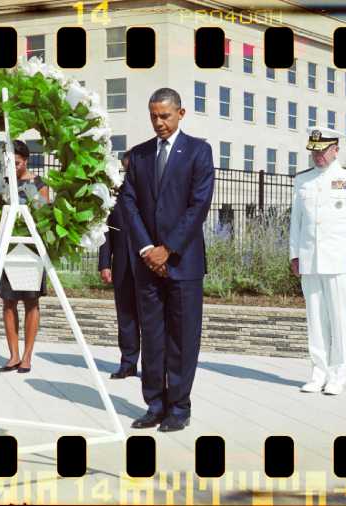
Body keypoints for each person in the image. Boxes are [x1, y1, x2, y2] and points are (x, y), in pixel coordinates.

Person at [119, 88, 215, 433]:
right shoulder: (140, 155)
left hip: (183, 264)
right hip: (147, 264)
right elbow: (128, 203)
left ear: (181, 114)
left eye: (165, 116)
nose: (159, 122)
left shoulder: (199, 152)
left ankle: (179, 406)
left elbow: (198, 206)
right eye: (153, 116)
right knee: (154, 337)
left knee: (183, 339)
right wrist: (147, 249)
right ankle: (155, 404)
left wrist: (168, 249)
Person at [290, 127, 346, 396]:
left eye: (322, 150)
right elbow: (296, 221)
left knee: (339, 319)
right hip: (310, 260)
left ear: (336, 149)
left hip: (340, 261)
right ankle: (318, 372)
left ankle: (337, 375)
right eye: (313, 151)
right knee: (315, 320)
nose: (317, 156)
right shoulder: (303, 180)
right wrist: (295, 254)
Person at [0, 141, 51, 373]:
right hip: (8, 249)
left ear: (25, 160)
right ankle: (13, 355)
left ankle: (27, 356)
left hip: (31, 251)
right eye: (8, 162)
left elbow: (45, 215)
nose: (12, 167)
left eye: (16, 163)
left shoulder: (39, 184)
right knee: (8, 302)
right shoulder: (0, 183)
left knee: (30, 302)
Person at [98, 153, 140, 379]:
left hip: (149, 265)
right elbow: (108, 230)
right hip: (123, 264)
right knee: (125, 316)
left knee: (151, 319)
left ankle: (155, 368)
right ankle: (128, 363)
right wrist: (105, 263)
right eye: (126, 168)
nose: (129, 172)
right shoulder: (115, 195)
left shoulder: (153, 192)